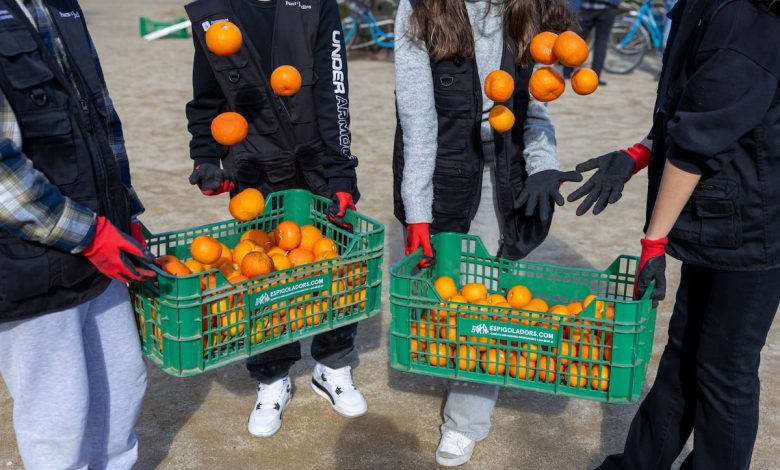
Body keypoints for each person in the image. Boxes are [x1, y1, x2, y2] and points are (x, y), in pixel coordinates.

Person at [568, 0, 780, 467]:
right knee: (684, 352)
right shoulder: (701, 5)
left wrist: (654, 243)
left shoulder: (749, 22)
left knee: (725, 371)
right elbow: (688, 102)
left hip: (755, 224)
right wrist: (638, 153)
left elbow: (700, 140)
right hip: (719, 211)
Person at [393, 0, 580, 465]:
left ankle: (465, 420)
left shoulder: (527, 7)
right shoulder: (418, 7)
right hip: (444, 165)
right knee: (443, 292)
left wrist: (544, 165)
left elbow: (534, 109)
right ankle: (461, 374)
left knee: (483, 294)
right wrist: (418, 211)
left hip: (502, 169)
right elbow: (418, 120)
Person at [184, 0, 365, 438]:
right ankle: (272, 376)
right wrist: (206, 157)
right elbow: (207, 100)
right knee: (261, 273)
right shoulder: (214, 15)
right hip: (255, 170)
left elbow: (334, 92)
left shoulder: (316, 5)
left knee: (337, 265)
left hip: (318, 162)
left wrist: (341, 173)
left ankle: (333, 363)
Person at [0, 0, 156, 468]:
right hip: (28, 261)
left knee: (123, 384)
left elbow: (100, 117)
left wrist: (123, 210)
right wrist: (89, 234)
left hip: (98, 242)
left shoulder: (61, 5)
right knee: (58, 417)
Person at [564, 0, 619, 84]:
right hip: (608, 6)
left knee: (578, 39)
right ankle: (595, 77)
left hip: (587, 6)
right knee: (602, 41)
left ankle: (567, 71)